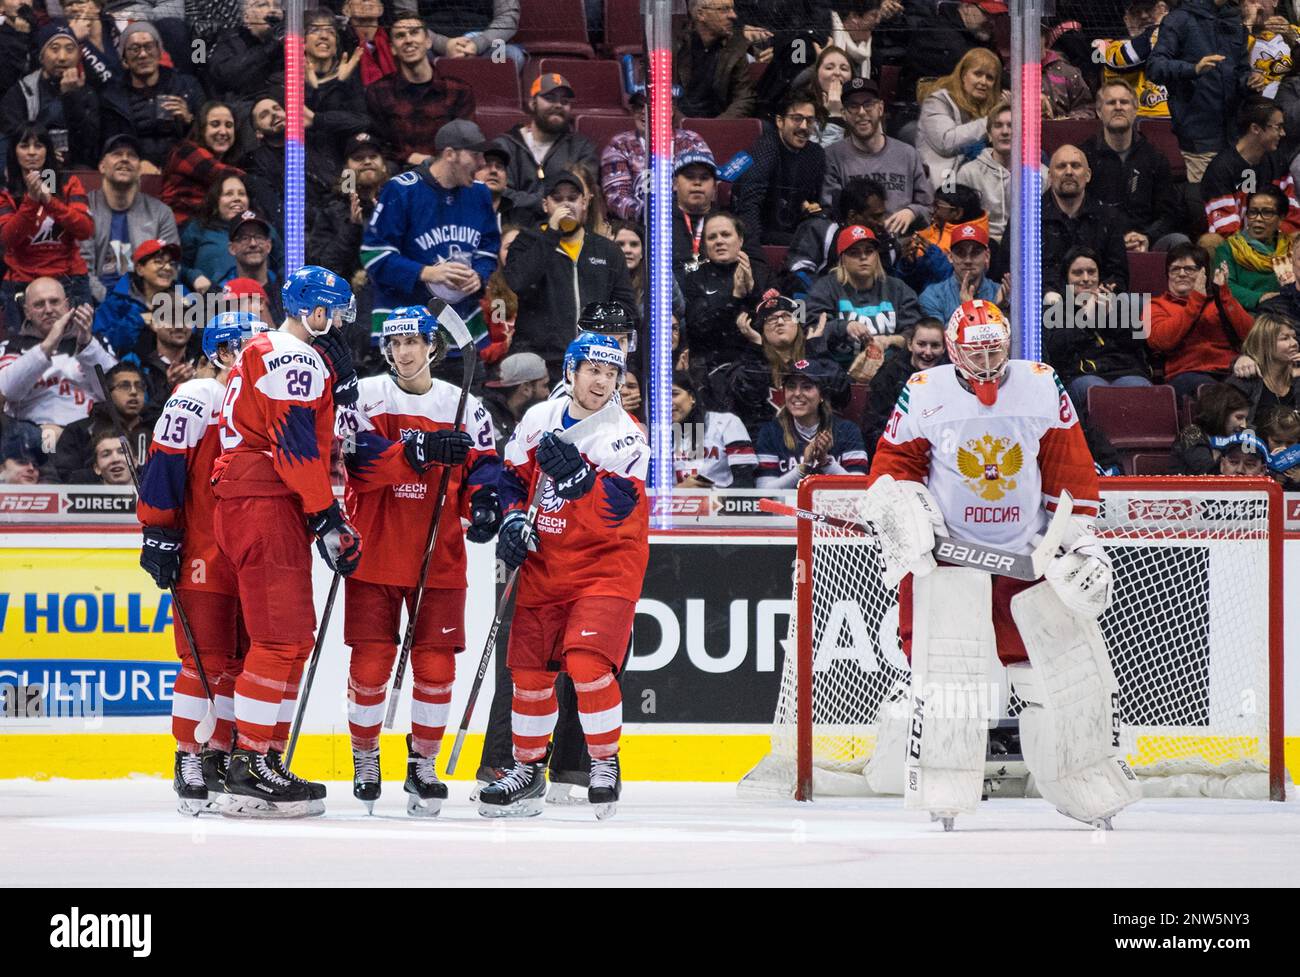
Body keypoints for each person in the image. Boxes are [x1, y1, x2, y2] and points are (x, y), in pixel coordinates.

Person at [866, 298, 1139, 829]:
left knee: (1057, 678)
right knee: (948, 681)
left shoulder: (1040, 383)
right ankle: (944, 784)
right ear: (952, 351)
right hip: (951, 562)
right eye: (977, 352)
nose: (988, 363)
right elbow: (895, 465)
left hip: (1027, 556)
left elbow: (1068, 460)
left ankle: (1081, 780)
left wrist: (1075, 536)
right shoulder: (924, 392)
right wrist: (907, 514)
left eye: (996, 351)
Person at [209, 265, 362, 817]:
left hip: (259, 500)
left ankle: (263, 757)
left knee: (292, 638)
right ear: (315, 309)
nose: (339, 321)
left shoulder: (266, 350)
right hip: (266, 501)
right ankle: (249, 761)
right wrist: (325, 513)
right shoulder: (295, 356)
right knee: (278, 641)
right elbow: (295, 446)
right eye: (335, 310)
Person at [337, 306, 501, 815]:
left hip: (440, 557)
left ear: (433, 346)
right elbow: (356, 462)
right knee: (369, 665)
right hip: (374, 550)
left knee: (435, 668)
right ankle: (365, 756)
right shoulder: (363, 397)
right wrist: (419, 449)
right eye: (396, 343)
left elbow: (487, 468)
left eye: (414, 341)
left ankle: (422, 763)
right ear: (386, 349)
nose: (405, 352)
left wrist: (487, 502)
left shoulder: (464, 405)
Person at [478, 332, 649, 818]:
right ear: (571, 372)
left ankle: (604, 761)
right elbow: (511, 478)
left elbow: (620, 510)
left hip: (605, 567)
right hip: (546, 565)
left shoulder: (624, 435)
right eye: (593, 370)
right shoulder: (538, 419)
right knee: (529, 674)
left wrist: (581, 481)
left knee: (588, 663)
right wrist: (511, 519)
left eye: (611, 373)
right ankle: (528, 771)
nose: (602, 381)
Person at [136, 312, 259, 814]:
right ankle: (188, 753)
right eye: (247, 351)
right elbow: (165, 464)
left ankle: (221, 750)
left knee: (243, 660)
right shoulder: (197, 397)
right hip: (205, 549)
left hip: (251, 551)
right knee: (203, 658)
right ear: (224, 353)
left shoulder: (264, 402)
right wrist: (160, 530)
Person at [361, 119, 498, 376]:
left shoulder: (480, 193)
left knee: (461, 412)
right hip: (406, 331)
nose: (481, 164)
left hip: (461, 327)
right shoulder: (401, 190)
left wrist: (479, 274)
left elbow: (488, 248)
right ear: (449, 154)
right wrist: (425, 273)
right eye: (475, 155)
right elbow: (373, 255)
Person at [501, 171, 637, 380]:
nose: (566, 205)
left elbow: (626, 308)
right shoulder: (526, 242)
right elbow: (518, 281)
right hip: (541, 365)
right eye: (558, 199)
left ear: (584, 203)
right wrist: (552, 234)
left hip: (592, 362)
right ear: (546, 205)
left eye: (573, 198)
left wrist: (598, 335)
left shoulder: (607, 251)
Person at [1147, 0, 1251, 183]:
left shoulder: (1235, 21)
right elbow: (1155, 67)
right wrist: (1193, 69)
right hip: (1200, 135)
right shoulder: (1179, 19)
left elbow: (1241, 70)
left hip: (1235, 136)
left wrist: (1250, 81)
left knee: (1237, 204)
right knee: (1207, 205)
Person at [1080, 79, 1187, 254]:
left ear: (1135, 109)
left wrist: (1147, 237)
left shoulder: (1155, 158)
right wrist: (1111, 240)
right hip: (1099, 244)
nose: (1118, 107)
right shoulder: (1084, 157)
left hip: (1145, 241)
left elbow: (1169, 214)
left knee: (1179, 242)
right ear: (1099, 111)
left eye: (1124, 102)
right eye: (1111, 102)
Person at [0, 279, 108, 449]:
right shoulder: (12, 346)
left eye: (54, 302)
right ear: (27, 312)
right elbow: (5, 391)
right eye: (39, 305)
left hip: (90, 438)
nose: (48, 310)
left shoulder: (95, 342)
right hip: (35, 439)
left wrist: (87, 345)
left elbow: (111, 391)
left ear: (67, 305)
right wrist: (47, 347)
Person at [821, 77, 933, 237]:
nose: (861, 112)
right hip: (856, 245)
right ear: (844, 114)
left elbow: (928, 207)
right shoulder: (832, 156)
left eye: (868, 104)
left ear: (880, 108)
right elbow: (832, 211)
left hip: (902, 245)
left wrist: (911, 212)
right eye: (853, 106)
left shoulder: (908, 154)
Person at [1044, 246, 1152, 408]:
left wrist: (1110, 316)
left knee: (1139, 386)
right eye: (1078, 273)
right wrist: (1086, 320)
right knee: (1093, 388)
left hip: (1124, 371)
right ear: (1067, 278)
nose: (1086, 278)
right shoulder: (1056, 310)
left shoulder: (1118, 305)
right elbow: (1055, 350)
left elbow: (1137, 344)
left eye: (1091, 272)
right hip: (1081, 375)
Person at [805, 224, 920, 376]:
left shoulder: (897, 288)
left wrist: (889, 340)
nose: (863, 257)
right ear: (842, 258)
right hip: (837, 373)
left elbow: (916, 333)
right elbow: (810, 330)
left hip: (890, 374)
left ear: (877, 255)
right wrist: (845, 327)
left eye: (869, 251)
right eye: (854, 252)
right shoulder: (825, 288)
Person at [0, 125, 94, 308]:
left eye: (39, 146)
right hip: (22, 281)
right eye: (24, 146)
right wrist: (32, 201)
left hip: (70, 277)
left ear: (48, 151)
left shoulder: (69, 184)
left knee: (79, 337)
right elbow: (6, 240)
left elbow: (85, 229)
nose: (32, 152)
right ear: (14, 152)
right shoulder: (6, 193)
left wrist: (49, 201)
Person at [365, 16, 475, 169]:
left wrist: (436, 162)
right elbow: (377, 142)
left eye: (414, 32)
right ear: (392, 48)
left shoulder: (459, 91)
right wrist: (408, 156)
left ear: (428, 41)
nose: (408, 40)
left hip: (446, 172)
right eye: (400, 36)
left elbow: (466, 141)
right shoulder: (378, 91)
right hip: (398, 172)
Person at [1148, 243, 1254, 400]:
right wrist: (1196, 299)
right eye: (1175, 269)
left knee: (1258, 383)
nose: (1181, 274)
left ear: (1204, 273)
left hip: (1229, 369)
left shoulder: (1220, 301)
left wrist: (1224, 294)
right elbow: (1162, 341)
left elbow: (1251, 335)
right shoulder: (1155, 305)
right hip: (1186, 373)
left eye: (1189, 269)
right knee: (1215, 392)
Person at [83, 134, 180, 304]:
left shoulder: (161, 213)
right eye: (117, 154)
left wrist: (140, 304)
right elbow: (82, 268)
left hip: (148, 301)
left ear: (140, 168)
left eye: (132, 156)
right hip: (96, 302)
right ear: (102, 166)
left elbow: (170, 267)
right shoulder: (85, 207)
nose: (125, 159)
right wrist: (110, 303)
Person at [491, 73, 598, 225]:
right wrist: (549, 201)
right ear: (532, 103)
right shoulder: (505, 146)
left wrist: (528, 200)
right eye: (550, 98)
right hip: (512, 231)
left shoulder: (581, 148)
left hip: (564, 233)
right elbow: (501, 196)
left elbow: (582, 196)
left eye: (565, 101)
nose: (558, 105)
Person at [98, 21, 204, 170]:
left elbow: (206, 133)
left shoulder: (187, 86)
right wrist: (137, 163)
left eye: (149, 47)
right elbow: (110, 144)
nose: (142, 54)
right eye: (134, 49)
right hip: (133, 170)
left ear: (160, 52)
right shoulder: (111, 96)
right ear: (124, 58)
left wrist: (189, 120)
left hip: (182, 165)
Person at [1200, 97, 1299, 251]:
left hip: (1274, 241)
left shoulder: (1278, 162)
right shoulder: (1220, 169)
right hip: (1236, 249)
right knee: (1210, 242)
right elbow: (1226, 229)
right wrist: (1254, 250)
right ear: (1255, 129)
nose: (1283, 133)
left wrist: (1273, 244)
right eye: (1278, 127)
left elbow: (1291, 215)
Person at [0, 20, 101, 169]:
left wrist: (71, 97)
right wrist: (47, 154)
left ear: (78, 56)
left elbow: (88, 145)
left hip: (73, 169)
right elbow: (14, 138)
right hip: (32, 167)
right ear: (41, 56)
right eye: (54, 49)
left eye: (69, 49)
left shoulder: (88, 93)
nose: (62, 57)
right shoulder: (21, 92)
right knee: (48, 182)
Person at [731, 90, 826, 247]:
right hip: (761, 236)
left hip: (796, 234)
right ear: (780, 121)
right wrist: (755, 253)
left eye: (809, 120)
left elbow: (816, 202)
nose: (804, 126)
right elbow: (749, 206)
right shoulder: (766, 148)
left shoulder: (815, 153)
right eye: (797, 119)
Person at [600, 93, 711, 223]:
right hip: (639, 225)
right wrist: (651, 217)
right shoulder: (620, 144)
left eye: (651, 106)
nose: (643, 112)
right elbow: (616, 197)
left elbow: (705, 187)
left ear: (670, 111)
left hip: (689, 221)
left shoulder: (692, 141)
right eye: (638, 107)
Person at [755, 357, 865, 487]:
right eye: (791, 386)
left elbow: (859, 489)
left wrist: (825, 462)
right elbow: (763, 492)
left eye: (807, 387)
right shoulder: (770, 432)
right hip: (787, 507)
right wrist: (803, 468)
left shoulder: (847, 431)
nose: (797, 393)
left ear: (822, 395)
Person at [683, 212, 769, 376]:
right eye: (712, 237)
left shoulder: (762, 273)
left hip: (758, 359)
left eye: (726, 235)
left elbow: (777, 320)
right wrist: (735, 297)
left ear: (741, 240)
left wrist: (752, 293)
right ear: (705, 246)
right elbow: (698, 329)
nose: (719, 241)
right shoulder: (695, 279)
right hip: (711, 366)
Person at [1041, 145, 1129, 294]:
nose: (1069, 172)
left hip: (1096, 306)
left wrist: (1099, 296)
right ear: (1050, 176)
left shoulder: (1109, 218)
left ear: (1088, 175)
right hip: (1043, 306)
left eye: (1075, 166)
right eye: (1061, 166)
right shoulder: (1028, 219)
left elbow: (1118, 276)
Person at [915, 47, 1002, 190]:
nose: (983, 81)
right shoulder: (937, 101)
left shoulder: (989, 107)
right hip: (942, 186)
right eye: (978, 74)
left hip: (978, 181)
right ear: (963, 75)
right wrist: (991, 120)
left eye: (990, 77)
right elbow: (947, 143)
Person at [54, 360, 155, 482]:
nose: (134, 392)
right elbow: (65, 476)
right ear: (107, 393)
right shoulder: (81, 431)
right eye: (124, 386)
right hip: (93, 499)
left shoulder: (157, 430)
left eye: (139, 386)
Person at [181, 176, 284, 295]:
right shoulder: (198, 228)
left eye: (242, 194)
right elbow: (179, 268)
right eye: (229, 194)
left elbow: (283, 262)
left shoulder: (264, 228)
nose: (237, 198)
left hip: (261, 298)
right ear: (216, 200)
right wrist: (194, 277)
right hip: (212, 301)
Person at [92, 238, 188, 359]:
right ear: (140, 269)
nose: (168, 268)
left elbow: (194, 335)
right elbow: (101, 345)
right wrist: (138, 319)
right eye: (159, 262)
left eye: (171, 263)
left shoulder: (183, 296)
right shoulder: (116, 302)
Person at [863, 317, 947, 450]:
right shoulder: (889, 374)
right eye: (921, 344)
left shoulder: (951, 375)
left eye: (935, 345)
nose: (928, 352)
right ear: (909, 344)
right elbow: (875, 426)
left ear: (944, 348)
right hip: (898, 452)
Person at [160, 102, 245, 230]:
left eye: (229, 125)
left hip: (209, 226)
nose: (223, 131)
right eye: (215, 124)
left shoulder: (229, 162)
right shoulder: (185, 151)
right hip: (181, 229)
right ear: (202, 129)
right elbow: (222, 175)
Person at [672, 0, 756, 119]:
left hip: (719, 124)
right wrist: (683, 122)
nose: (733, 15)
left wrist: (716, 126)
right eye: (724, 9)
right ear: (701, 14)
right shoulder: (675, 44)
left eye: (732, 9)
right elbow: (661, 93)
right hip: (677, 126)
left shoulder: (736, 45)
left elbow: (744, 98)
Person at [671, 369, 755, 487]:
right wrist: (678, 492)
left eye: (674, 394)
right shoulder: (659, 435)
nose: (668, 401)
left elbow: (744, 482)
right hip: (674, 504)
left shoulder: (726, 422)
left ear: (692, 397)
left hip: (724, 503)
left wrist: (716, 500)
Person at [1214, 186, 1291, 313]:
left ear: (1281, 217)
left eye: (1267, 213)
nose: (1258, 219)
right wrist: (1260, 298)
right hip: (1247, 315)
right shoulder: (1229, 248)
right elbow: (1225, 287)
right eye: (1253, 212)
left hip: (1288, 314)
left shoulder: (1291, 248)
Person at [1094, 0, 1171, 119]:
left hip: (1181, 121)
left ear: (1163, 10)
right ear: (1127, 20)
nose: (1144, 16)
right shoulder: (1111, 48)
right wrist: (1159, 28)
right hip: (1135, 123)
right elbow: (1130, 56)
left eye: (1149, 9)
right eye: (1136, 12)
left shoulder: (1183, 43)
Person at [919, 223, 1007, 324]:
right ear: (950, 257)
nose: (968, 260)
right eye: (960, 253)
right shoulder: (932, 296)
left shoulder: (1000, 293)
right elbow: (939, 338)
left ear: (987, 256)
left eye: (975, 253)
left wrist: (1002, 308)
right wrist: (968, 311)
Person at [207, 0, 289, 104]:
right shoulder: (228, 42)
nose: (272, 10)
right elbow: (227, 77)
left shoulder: (288, 42)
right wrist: (268, 49)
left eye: (277, 5)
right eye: (263, 5)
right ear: (246, 18)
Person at [404, 0, 526, 67]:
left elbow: (507, 17)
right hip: (431, 45)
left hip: (484, 43)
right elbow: (406, 17)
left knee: (512, 55)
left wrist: (477, 44)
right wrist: (444, 45)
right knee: (410, 55)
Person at [1227, 311, 1300, 421]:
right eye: (1285, 338)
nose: (1294, 343)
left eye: (1294, 337)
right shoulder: (1245, 381)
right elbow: (1227, 425)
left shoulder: (1296, 379)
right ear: (1265, 344)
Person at [216, 210, 282, 324]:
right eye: (244, 238)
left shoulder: (283, 287)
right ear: (232, 248)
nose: (253, 244)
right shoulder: (220, 292)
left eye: (259, 237)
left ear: (269, 245)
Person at [1170, 381, 1250, 474]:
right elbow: (1209, 473)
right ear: (1222, 414)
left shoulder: (1234, 439)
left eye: (1245, 419)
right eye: (1239, 417)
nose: (1244, 425)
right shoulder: (1191, 433)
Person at [481, 351, 550, 443]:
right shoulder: (485, 416)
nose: (548, 393)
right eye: (544, 385)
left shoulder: (524, 416)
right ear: (526, 388)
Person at [1258, 403, 1300, 489]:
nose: (1284, 448)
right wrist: (1269, 477)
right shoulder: (1258, 457)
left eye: (1290, 442)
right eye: (1277, 442)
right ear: (1267, 438)